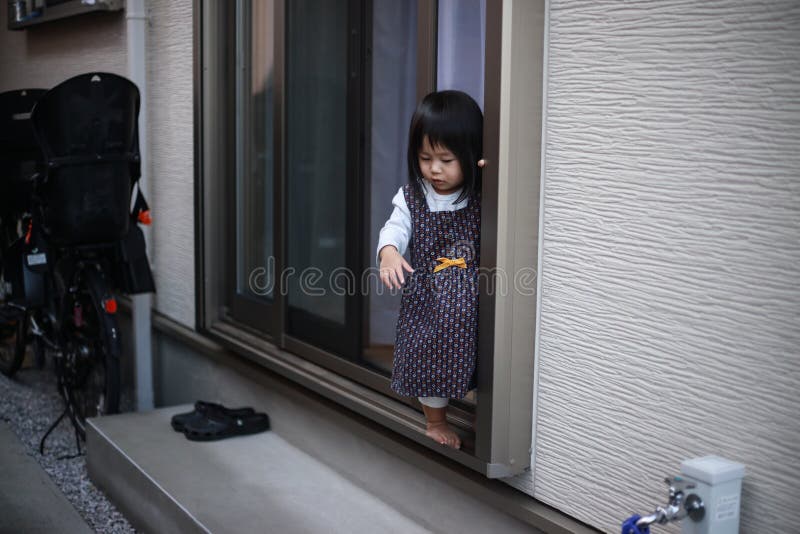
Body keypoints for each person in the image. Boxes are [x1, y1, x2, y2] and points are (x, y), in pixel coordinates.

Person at [377, 90, 485, 449]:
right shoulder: (413, 196)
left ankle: (480, 406)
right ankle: (435, 420)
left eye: (446, 160)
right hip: (429, 301)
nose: (434, 169)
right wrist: (389, 253)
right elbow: (394, 228)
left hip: (474, 299)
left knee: (482, 356)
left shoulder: (483, 191)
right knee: (427, 357)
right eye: (425, 158)